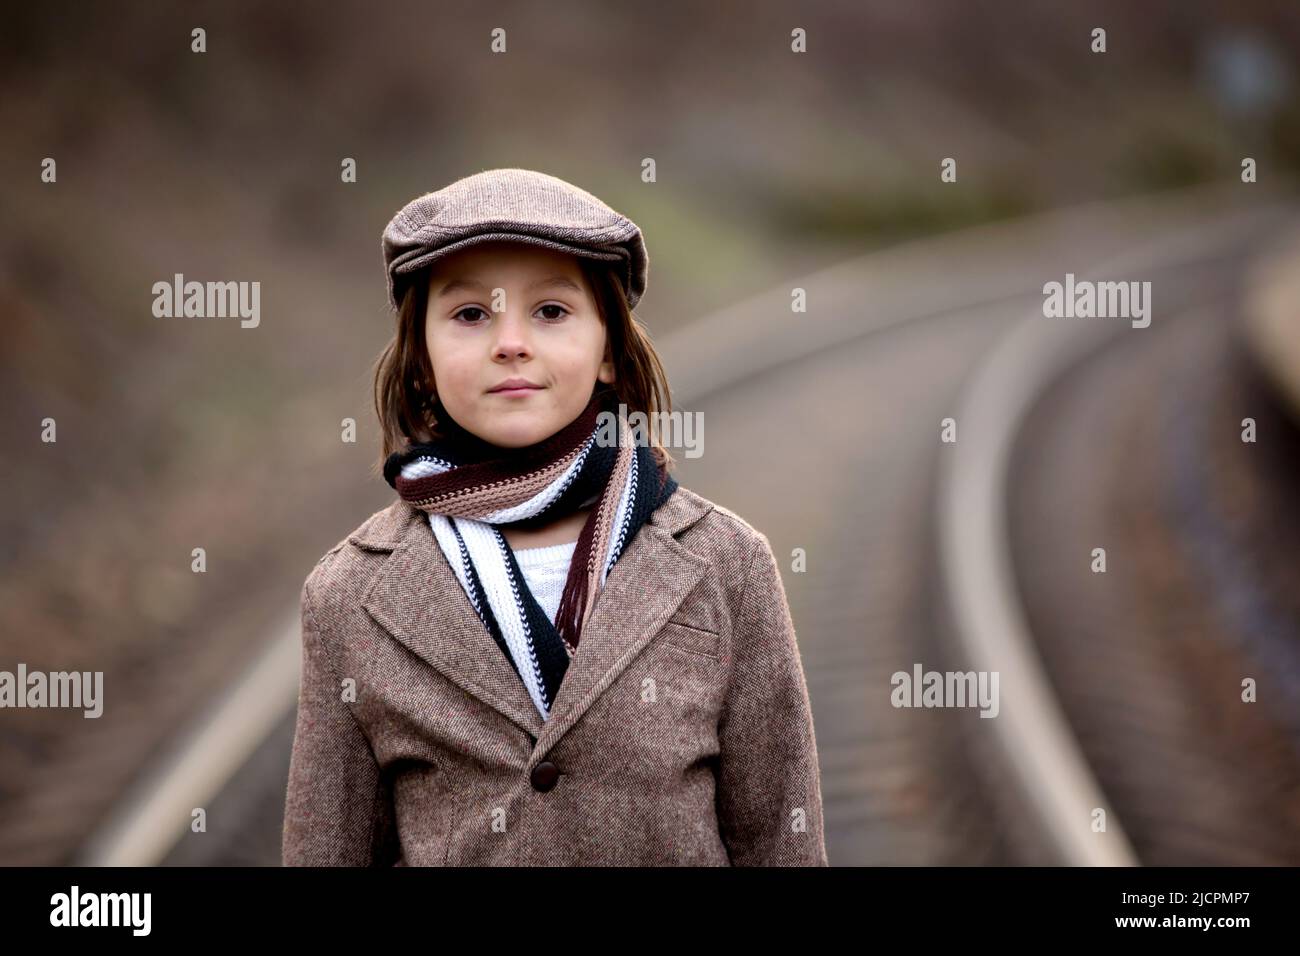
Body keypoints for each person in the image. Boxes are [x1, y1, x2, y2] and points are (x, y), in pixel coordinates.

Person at [281, 168, 827, 866]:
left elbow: (783, 843)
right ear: (420, 357)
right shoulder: (348, 597)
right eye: (471, 314)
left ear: (608, 351)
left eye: (551, 312)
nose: (511, 342)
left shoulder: (727, 565)